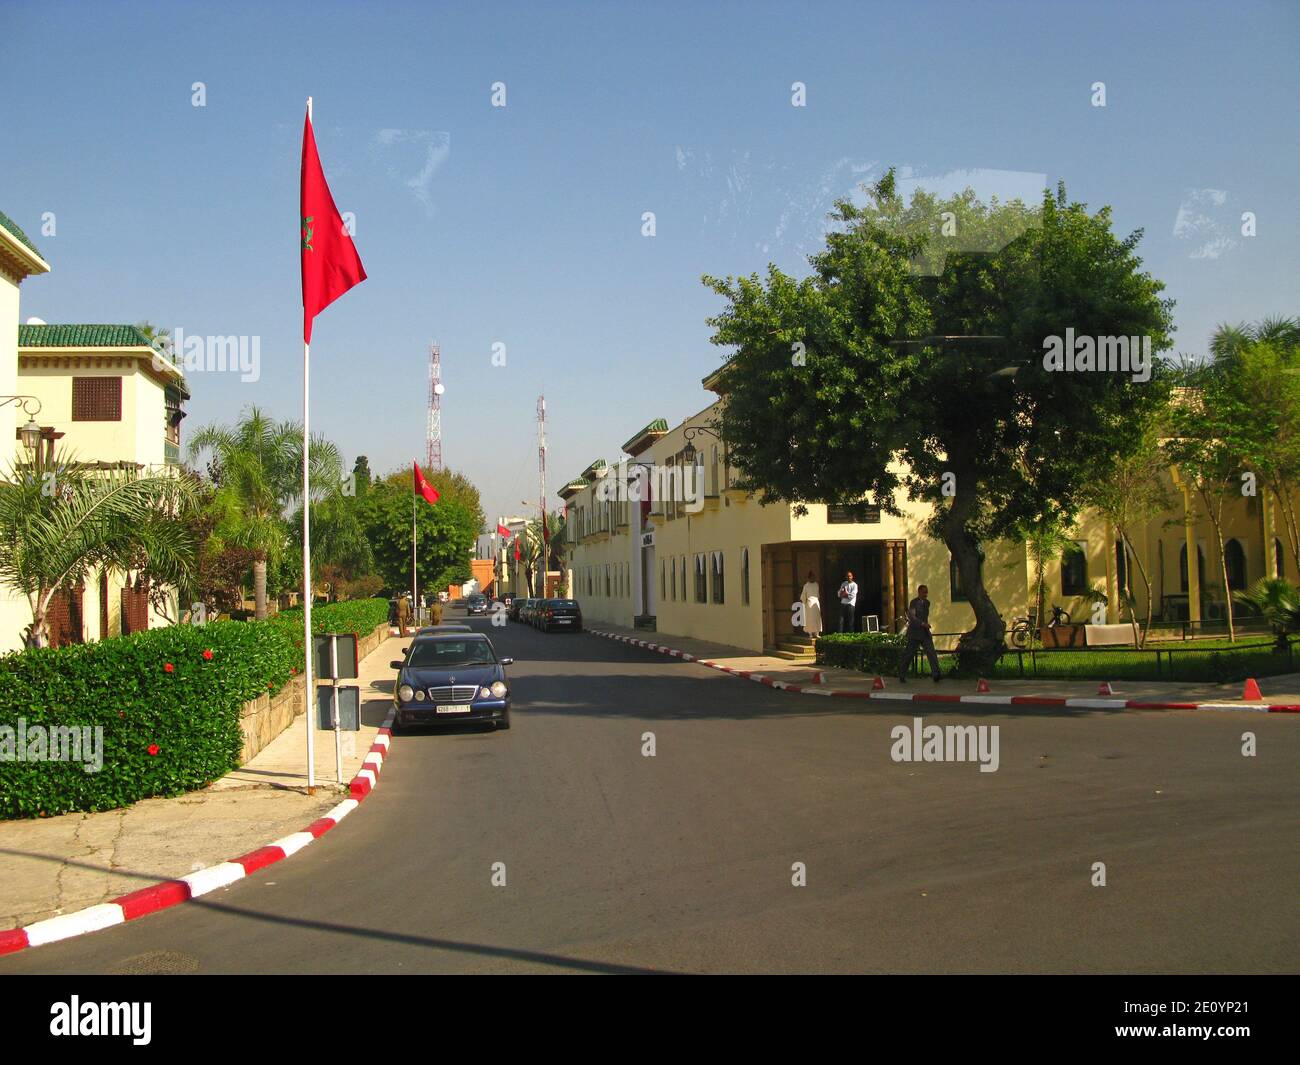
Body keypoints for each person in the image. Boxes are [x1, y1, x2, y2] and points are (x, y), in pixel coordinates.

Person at [898, 584, 942, 683]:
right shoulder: (913, 602)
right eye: (924, 592)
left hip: (925, 633)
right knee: (909, 654)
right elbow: (912, 617)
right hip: (915, 633)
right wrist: (922, 624)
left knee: (931, 653)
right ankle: (902, 673)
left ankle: (936, 674)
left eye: (926, 592)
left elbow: (925, 616)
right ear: (919, 592)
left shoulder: (927, 603)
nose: (926, 594)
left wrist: (925, 625)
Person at [799, 570, 823, 640]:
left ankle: (817, 633)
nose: (813, 578)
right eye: (811, 577)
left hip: (816, 603)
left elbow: (818, 594)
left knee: (817, 618)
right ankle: (810, 633)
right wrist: (804, 602)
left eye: (813, 577)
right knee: (810, 618)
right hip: (809, 603)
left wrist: (817, 600)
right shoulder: (806, 585)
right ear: (809, 578)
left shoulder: (816, 584)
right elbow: (803, 595)